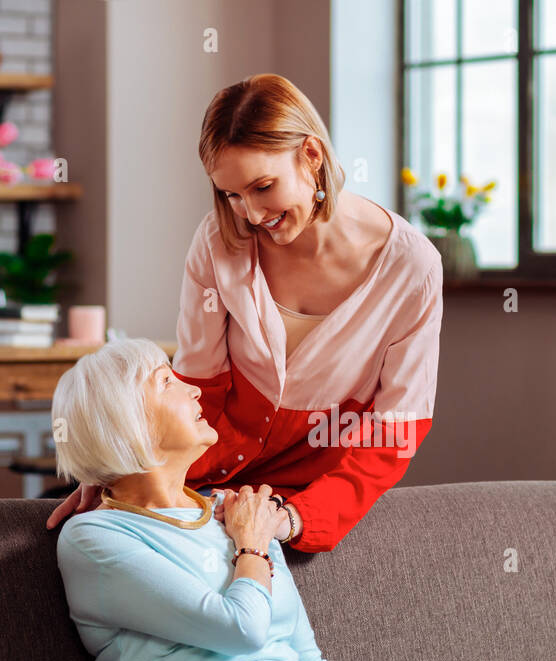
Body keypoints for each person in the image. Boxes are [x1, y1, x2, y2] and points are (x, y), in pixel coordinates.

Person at [51, 337, 438, 661]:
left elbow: (304, 654)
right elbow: (239, 627)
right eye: (167, 381)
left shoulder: (232, 513)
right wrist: (253, 546)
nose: (191, 389)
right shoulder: (96, 539)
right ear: (126, 420)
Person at [47, 72, 443, 553]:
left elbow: (393, 434)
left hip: (303, 504)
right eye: (231, 195)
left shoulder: (410, 268)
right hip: (201, 486)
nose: (250, 215)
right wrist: (129, 468)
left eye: (262, 187)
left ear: (311, 156)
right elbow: (198, 387)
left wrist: (295, 519)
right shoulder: (218, 243)